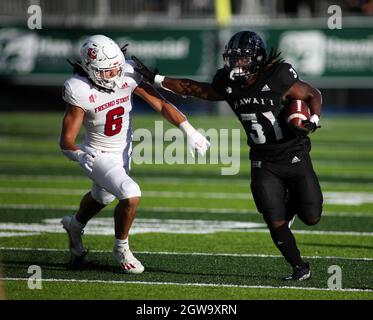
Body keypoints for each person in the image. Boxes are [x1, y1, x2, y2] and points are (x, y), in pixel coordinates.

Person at [131, 30, 323, 281]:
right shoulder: (228, 82)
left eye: (241, 58)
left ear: (256, 58)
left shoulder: (278, 75)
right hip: (263, 161)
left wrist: (313, 120)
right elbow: (194, 89)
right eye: (232, 58)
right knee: (273, 218)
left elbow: (312, 94)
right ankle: (300, 267)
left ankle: (292, 208)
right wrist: (156, 78)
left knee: (312, 216)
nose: (235, 64)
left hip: (295, 155)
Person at [59, 35, 210, 274]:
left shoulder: (127, 73)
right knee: (131, 193)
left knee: (103, 197)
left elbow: (160, 104)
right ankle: (121, 248)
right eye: (108, 71)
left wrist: (190, 131)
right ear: (91, 69)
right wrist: (78, 155)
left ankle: (75, 225)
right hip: (96, 153)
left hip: (122, 151)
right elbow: (66, 141)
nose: (116, 75)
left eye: (117, 67)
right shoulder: (79, 89)